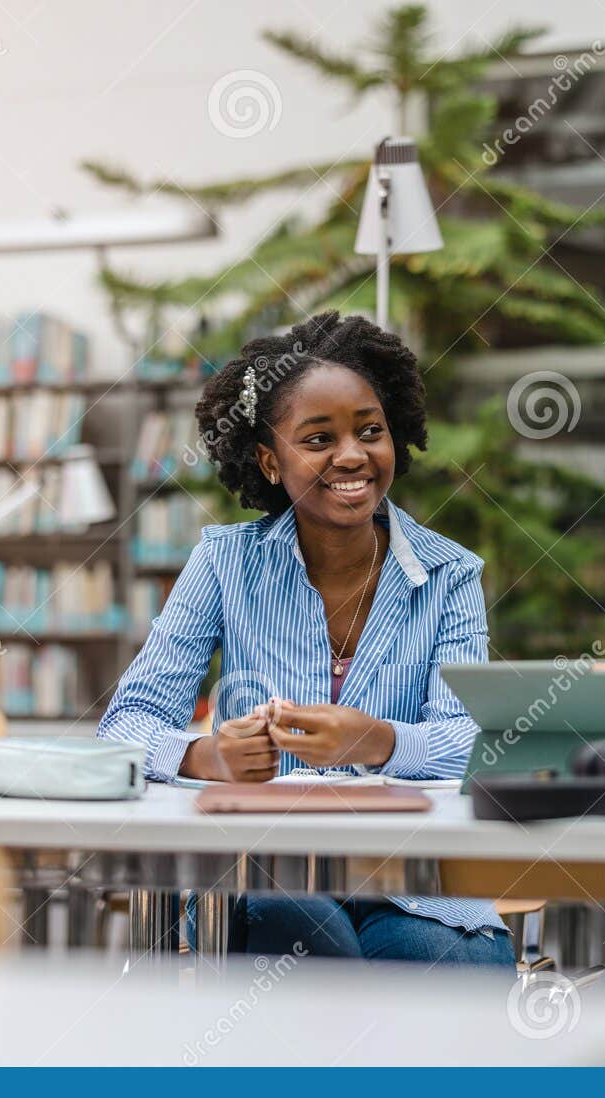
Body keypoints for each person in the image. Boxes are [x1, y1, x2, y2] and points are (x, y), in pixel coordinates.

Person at [97, 310, 512, 968]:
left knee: (452, 966)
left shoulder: (449, 574)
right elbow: (125, 724)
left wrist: (375, 741)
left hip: (410, 886)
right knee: (306, 938)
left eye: (369, 431)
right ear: (269, 459)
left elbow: (474, 743)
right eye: (319, 438)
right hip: (265, 870)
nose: (352, 455)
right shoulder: (225, 563)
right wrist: (209, 757)